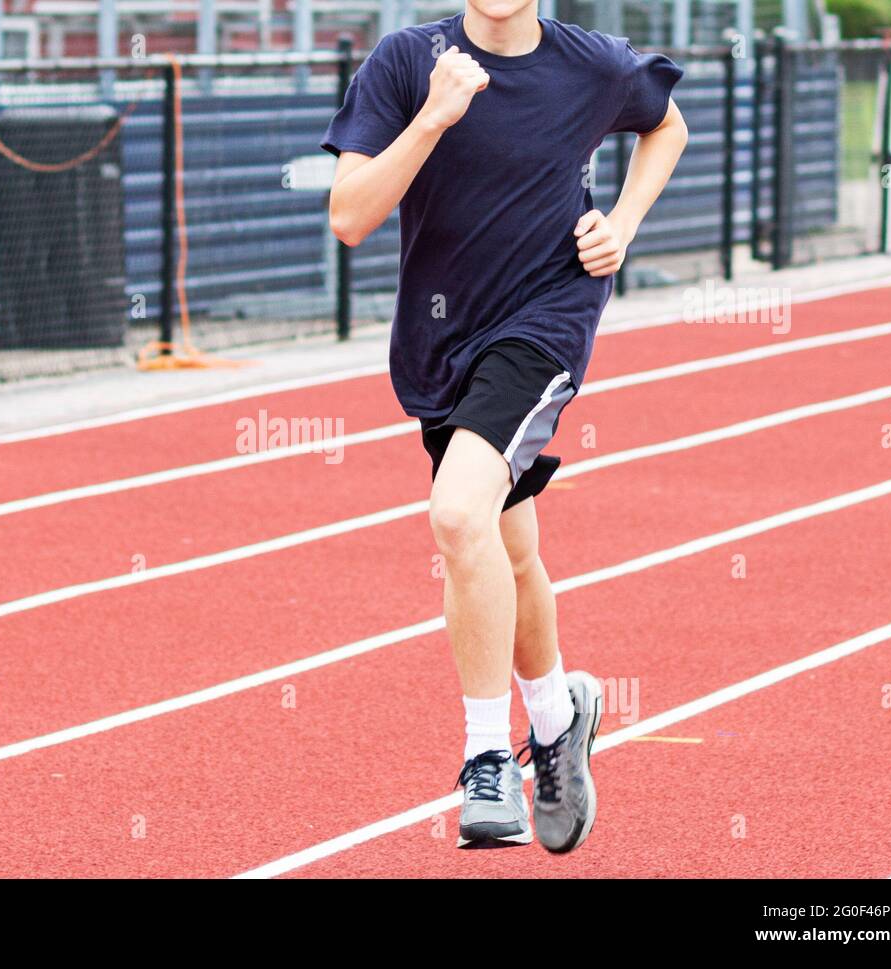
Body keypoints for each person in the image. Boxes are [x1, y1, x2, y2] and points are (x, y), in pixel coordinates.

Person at [322, 1, 688, 852]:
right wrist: (432, 118)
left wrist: (623, 224)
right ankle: (560, 718)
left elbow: (665, 124)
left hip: (544, 320)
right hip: (442, 338)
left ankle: (488, 757)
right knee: (508, 550)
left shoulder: (592, 66)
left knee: (456, 515)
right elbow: (350, 215)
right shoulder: (408, 64)